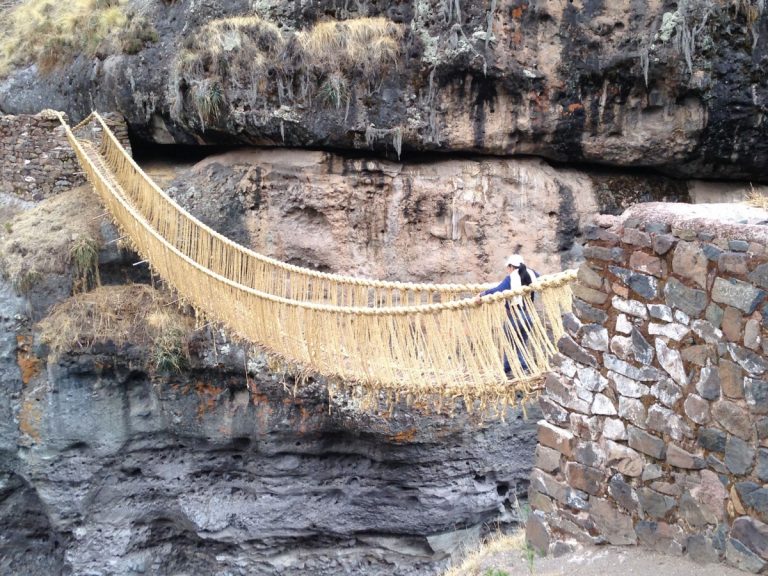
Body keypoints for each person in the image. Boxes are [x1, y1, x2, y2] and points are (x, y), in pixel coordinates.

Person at [477, 254, 538, 374]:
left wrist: (481, 294)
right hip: (528, 317)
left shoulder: (511, 278)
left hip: (515, 317)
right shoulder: (531, 274)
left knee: (510, 344)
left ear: (511, 266)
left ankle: (512, 369)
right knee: (521, 343)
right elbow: (541, 278)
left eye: (508, 267)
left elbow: (497, 291)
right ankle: (519, 368)